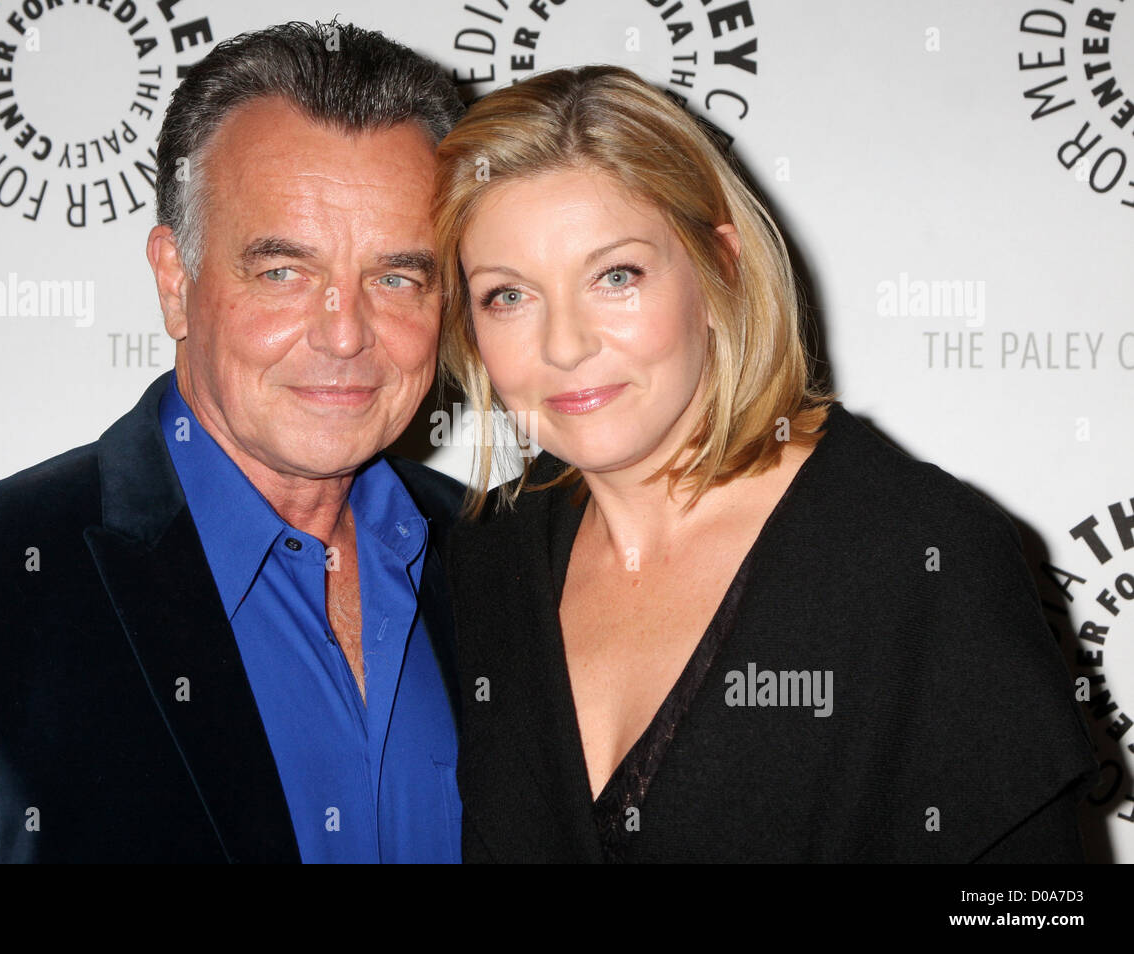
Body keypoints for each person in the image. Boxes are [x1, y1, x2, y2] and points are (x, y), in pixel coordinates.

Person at [0, 21, 466, 863]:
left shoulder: (507, 562)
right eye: (283, 272)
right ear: (176, 282)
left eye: (395, 277)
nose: (345, 333)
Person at [432, 64, 1099, 863]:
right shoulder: (477, 565)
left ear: (722, 268)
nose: (564, 345)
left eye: (616, 276)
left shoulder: (917, 555)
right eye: (508, 295)